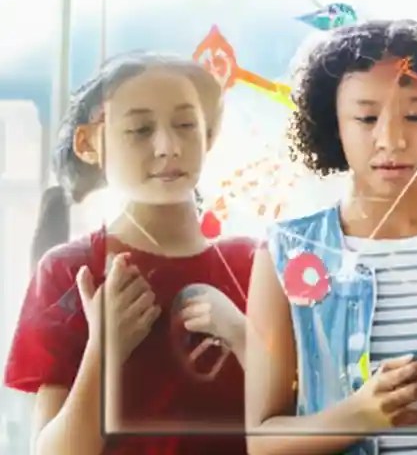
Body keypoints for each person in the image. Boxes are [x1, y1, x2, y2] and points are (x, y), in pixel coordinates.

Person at [244, 20, 417, 455]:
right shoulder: (288, 252)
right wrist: (360, 414)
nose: (391, 139)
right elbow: (262, 441)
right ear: (333, 124)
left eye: (415, 116)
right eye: (366, 117)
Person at [5, 52, 255, 454]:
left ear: (209, 135)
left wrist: (244, 335)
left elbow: (304, 419)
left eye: (186, 125)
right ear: (89, 144)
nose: (169, 147)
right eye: (140, 130)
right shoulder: (71, 271)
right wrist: (104, 348)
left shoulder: (254, 262)